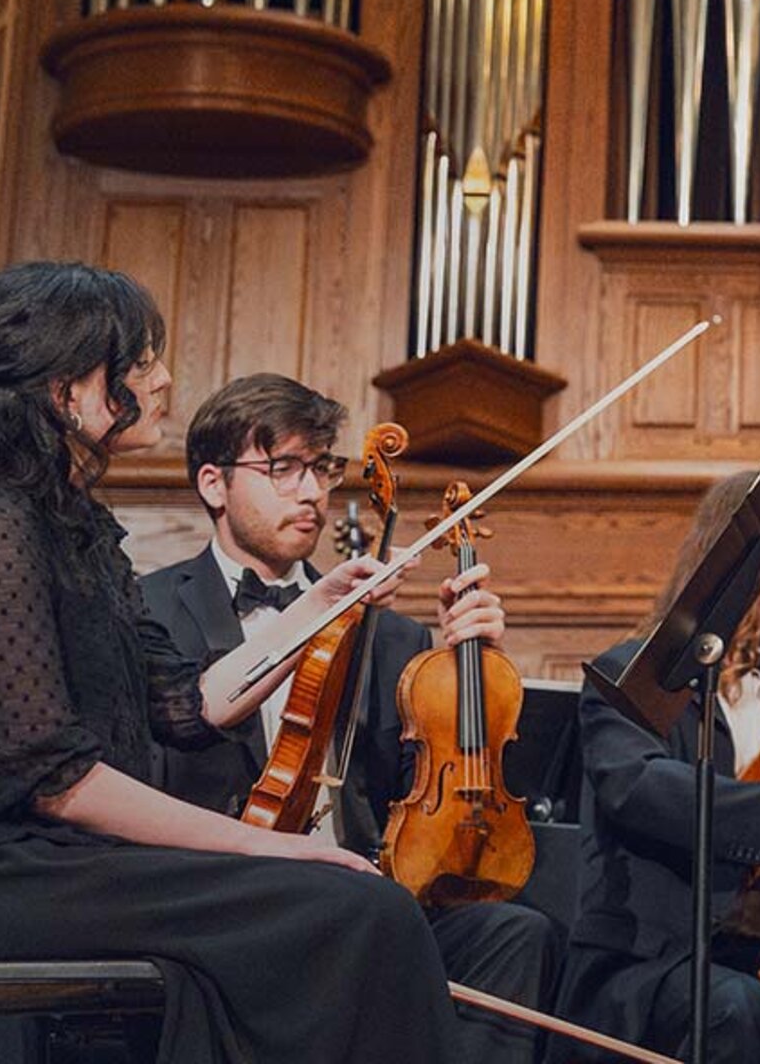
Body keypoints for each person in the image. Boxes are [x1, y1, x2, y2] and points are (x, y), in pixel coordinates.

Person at [0, 260, 460, 1064]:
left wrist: (316, 604)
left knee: (357, 904)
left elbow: (188, 706)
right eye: (141, 362)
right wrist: (273, 845)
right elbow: (53, 782)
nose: (162, 382)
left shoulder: (80, 525)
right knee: (357, 908)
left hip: (71, 863)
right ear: (66, 393)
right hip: (5, 870)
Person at [140, 373, 560, 1064]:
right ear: (213, 484)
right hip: (226, 900)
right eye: (282, 469)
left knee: (515, 933)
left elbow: (422, 801)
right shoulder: (152, 611)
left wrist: (465, 676)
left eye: (322, 469)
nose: (310, 493)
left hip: (362, 894)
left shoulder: (389, 637)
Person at [557, 471, 760, 1064]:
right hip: (651, 960)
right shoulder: (635, 677)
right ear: (730, 563)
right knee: (746, 1010)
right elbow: (638, 786)